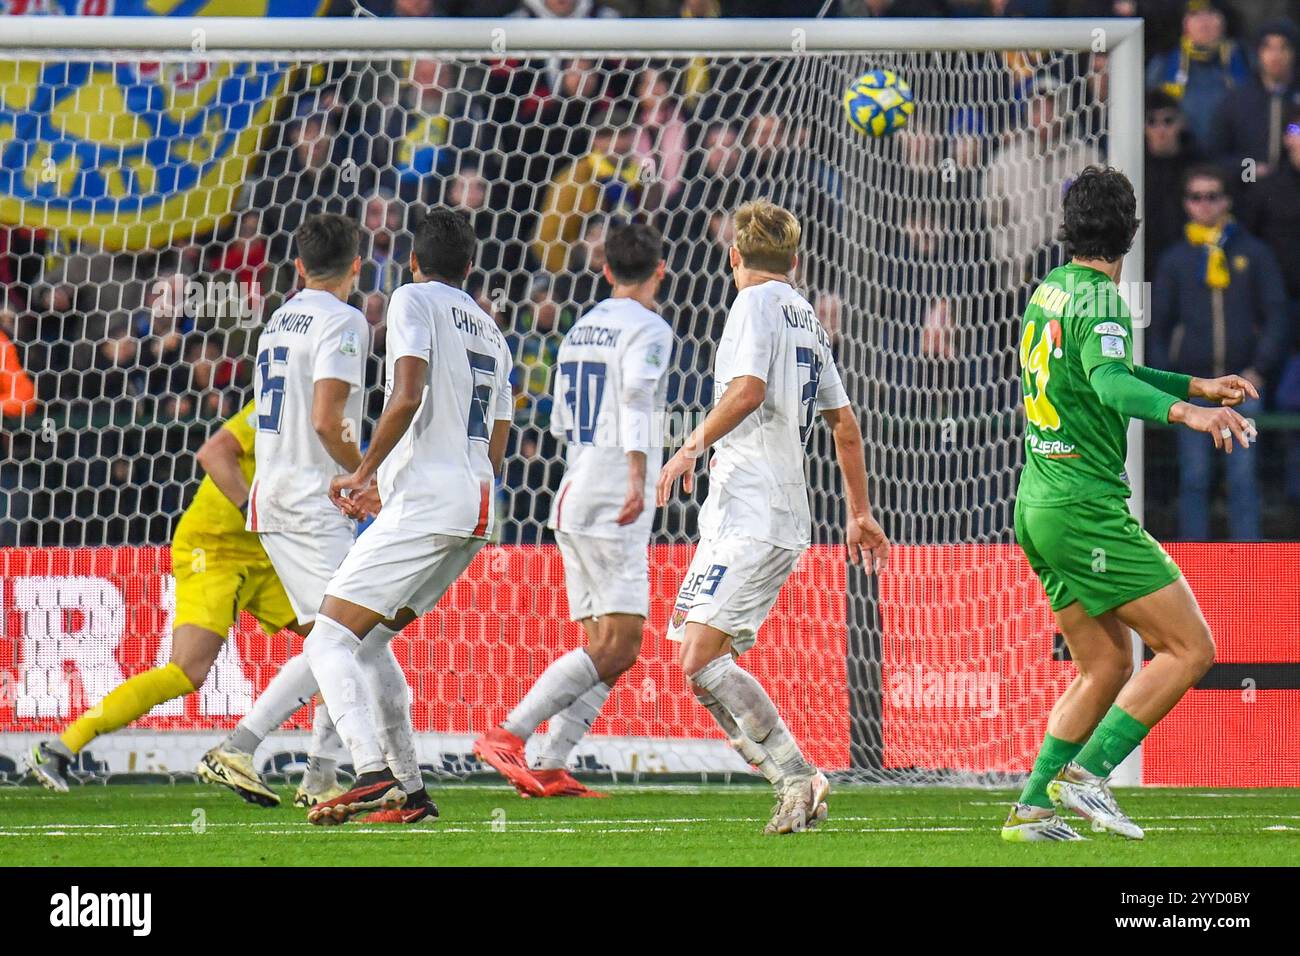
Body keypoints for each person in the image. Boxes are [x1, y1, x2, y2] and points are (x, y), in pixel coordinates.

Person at [1003, 165, 1257, 842]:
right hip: (1084, 506)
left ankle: (1031, 808)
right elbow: (1112, 384)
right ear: (1131, 231)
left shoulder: (1053, 290)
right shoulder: (1103, 300)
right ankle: (1089, 776)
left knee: (1108, 664)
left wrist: (1195, 385)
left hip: (1038, 503)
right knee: (1191, 648)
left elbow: (1109, 371)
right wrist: (1187, 414)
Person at [656, 199, 890, 835]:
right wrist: (860, 511)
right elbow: (845, 424)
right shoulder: (808, 317)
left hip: (757, 511)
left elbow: (748, 389)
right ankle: (792, 779)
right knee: (692, 660)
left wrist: (687, 447)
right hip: (750, 511)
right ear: (796, 260)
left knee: (701, 660)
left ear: (734, 256)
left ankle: (795, 774)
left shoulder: (753, 305)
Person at [301, 208, 514, 826]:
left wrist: (365, 470)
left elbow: (409, 392)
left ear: (414, 262)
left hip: (431, 504)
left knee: (328, 637)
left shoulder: (411, 300)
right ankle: (411, 794)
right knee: (369, 645)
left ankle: (369, 770)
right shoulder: (493, 334)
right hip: (475, 509)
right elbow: (495, 450)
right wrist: (396, 487)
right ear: (470, 269)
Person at [24, 401, 342, 807]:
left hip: (268, 553)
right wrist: (252, 511)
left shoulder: (328, 414)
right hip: (213, 547)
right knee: (187, 671)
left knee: (336, 641)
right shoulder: (274, 401)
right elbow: (212, 454)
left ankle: (320, 778)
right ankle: (60, 748)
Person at [474, 222, 673, 798]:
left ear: (607, 270)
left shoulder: (580, 329)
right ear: (660, 270)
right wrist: (638, 477)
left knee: (603, 649)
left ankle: (552, 762)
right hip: (614, 497)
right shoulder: (651, 328)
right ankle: (509, 735)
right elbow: (636, 396)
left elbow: (562, 418)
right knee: (622, 644)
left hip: (574, 490)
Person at [198, 213, 373, 810]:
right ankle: (239, 747)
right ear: (357, 265)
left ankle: (320, 773)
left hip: (275, 495)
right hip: (312, 500)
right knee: (347, 636)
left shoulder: (279, 318)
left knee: (341, 640)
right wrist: (365, 473)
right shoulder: (345, 320)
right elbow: (326, 419)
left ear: (298, 266)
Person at [1148, 164, 1288, 541]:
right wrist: (1170, 385)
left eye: (1213, 196)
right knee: (1194, 480)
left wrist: (1259, 369)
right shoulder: (1175, 261)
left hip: (1243, 388)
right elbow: (1158, 326)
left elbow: (1277, 313)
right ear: (1186, 204)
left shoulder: (1253, 254)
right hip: (1195, 388)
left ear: (1227, 200)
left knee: (1243, 481)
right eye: (1196, 197)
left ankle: (1248, 570)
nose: (1205, 204)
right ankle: (1191, 576)